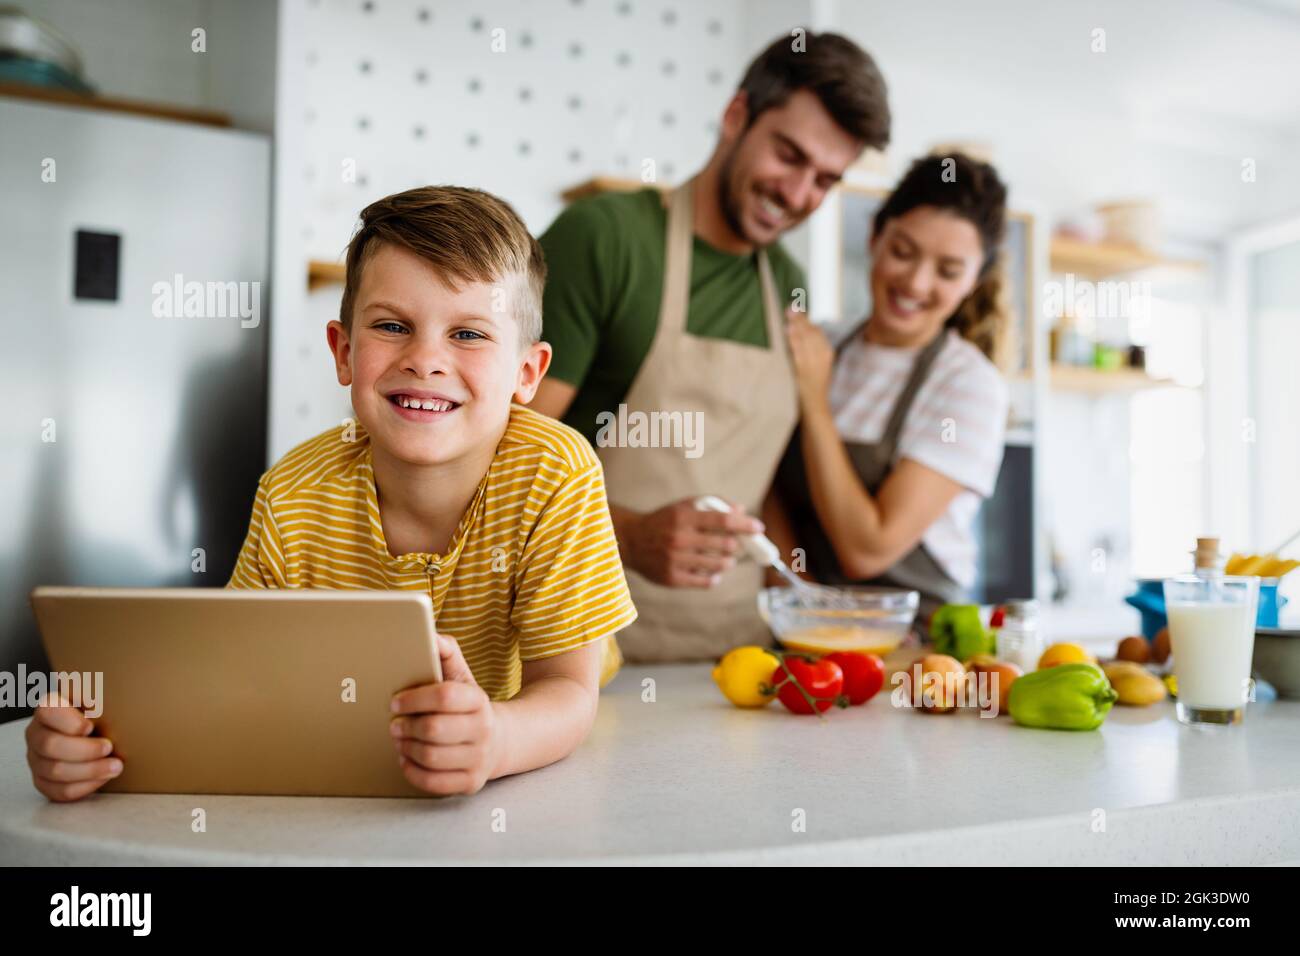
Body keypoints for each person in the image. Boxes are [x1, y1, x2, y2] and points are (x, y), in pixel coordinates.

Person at [26, 186, 637, 801]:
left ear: (527, 373)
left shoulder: (556, 472)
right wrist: (96, 745)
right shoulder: (292, 492)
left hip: (544, 675)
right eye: (393, 326)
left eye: (469, 335)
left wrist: (496, 739)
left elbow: (568, 690)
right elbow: (230, 675)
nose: (425, 360)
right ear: (344, 352)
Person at [530, 32, 891, 661]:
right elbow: (498, 459)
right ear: (735, 115)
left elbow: (756, 473)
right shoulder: (606, 241)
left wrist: (797, 592)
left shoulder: (788, 288)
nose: (799, 195)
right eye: (788, 156)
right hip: (582, 652)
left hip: (734, 658)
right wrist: (631, 536)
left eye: (825, 180)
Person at [769, 152, 1010, 623]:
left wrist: (815, 404)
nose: (916, 282)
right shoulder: (822, 344)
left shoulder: (970, 386)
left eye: (948, 271)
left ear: (974, 281)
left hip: (914, 649)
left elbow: (868, 548)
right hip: (805, 629)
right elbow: (767, 481)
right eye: (903, 251)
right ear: (875, 236)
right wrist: (798, 598)